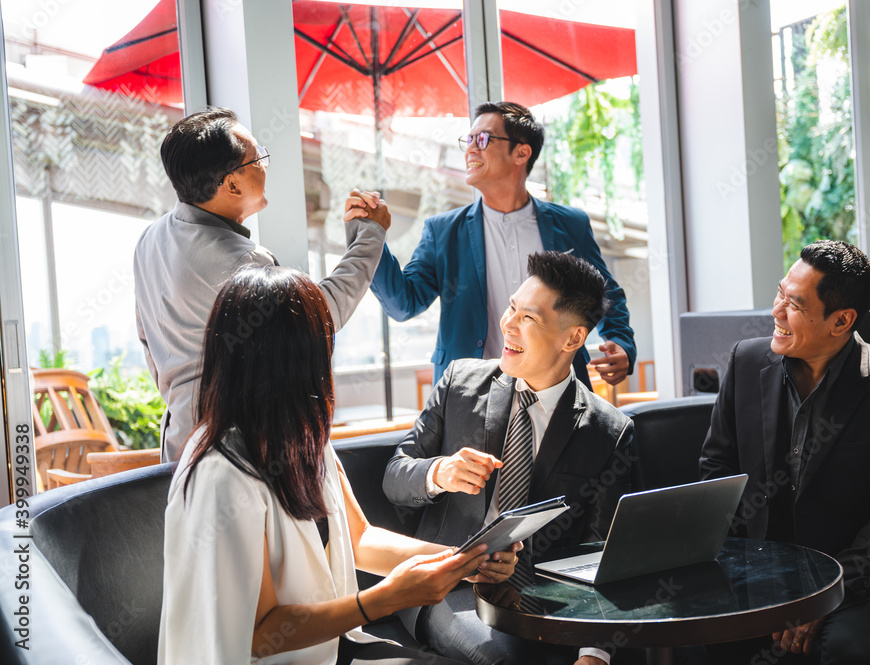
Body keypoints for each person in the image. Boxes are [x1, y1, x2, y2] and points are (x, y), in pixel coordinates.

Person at [158, 265, 522, 665]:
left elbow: (358, 538)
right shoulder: (222, 474)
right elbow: (258, 634)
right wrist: (385, 598)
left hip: (333, 650)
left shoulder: (301, 439)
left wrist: (462, 561)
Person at [383, 251, 634, 665]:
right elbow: (394, 479)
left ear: (573, 338)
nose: (508, 324)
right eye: (511, 308)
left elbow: (604, 551)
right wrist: (439, 473)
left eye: (528, 319)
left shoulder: (609, 430)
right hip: (451, 587)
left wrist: (595, 653)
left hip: (550, 597)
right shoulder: (459, 383)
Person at [699, 240, 870, 664]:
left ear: (841, 320)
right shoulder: (746, 361)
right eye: (779, 292)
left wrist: (824, 597)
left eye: (793, 303)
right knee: (711, 634)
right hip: (764, 570)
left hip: (860, 581)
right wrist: (741, 573)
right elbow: (717, 468)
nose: (776, 310)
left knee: (847, 649)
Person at [134, 107, 390, 461]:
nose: (265, 166)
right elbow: (319, 319)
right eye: (259, 158)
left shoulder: (150, 240)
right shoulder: (243, 261)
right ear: (232, 183)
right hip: (237, 451)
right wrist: (369, 235)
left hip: (178, 443)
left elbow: (149, 341)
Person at [365, 101, 635, 388]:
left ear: (521, 152)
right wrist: (371, 235)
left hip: (558, 393)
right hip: (471, 395)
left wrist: (620, 341)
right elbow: (402, 304)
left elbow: (605, 294)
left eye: (482, 139)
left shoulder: (571, 225)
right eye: (468, 140)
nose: (470, 149)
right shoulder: (443, 231)